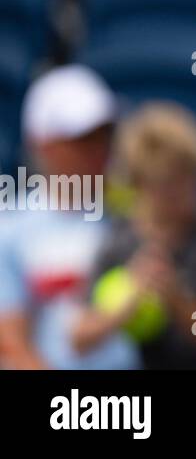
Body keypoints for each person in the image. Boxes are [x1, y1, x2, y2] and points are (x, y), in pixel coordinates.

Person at [69, 102, 196, 368]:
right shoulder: (116, 243)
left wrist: (175, 300)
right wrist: (127, 300)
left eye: (189, 177)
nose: (182, 193)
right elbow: (80, 338)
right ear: (140, 184)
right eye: (167, 184)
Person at [0, 66, 137, 369]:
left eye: (104, 135)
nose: (98, 150)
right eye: (82, 139)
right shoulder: (9, 229)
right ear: (43, 145)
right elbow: (10, 344)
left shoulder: (136, 219)